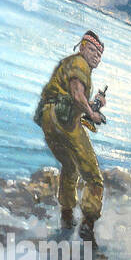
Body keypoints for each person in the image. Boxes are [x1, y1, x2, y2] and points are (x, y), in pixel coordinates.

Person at [35, 30, 106, 242]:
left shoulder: (68, 64)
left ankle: (66, 215)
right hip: (65, 121)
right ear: (82, 47)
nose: (95, 56)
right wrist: (93, 113)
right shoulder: (80, 64)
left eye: (99, 54)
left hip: (49, 121)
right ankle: (88, 223)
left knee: (70, 166)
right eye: (92, 50)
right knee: (94, 178)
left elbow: (74, 95)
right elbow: (76, 95)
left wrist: (94, 103)